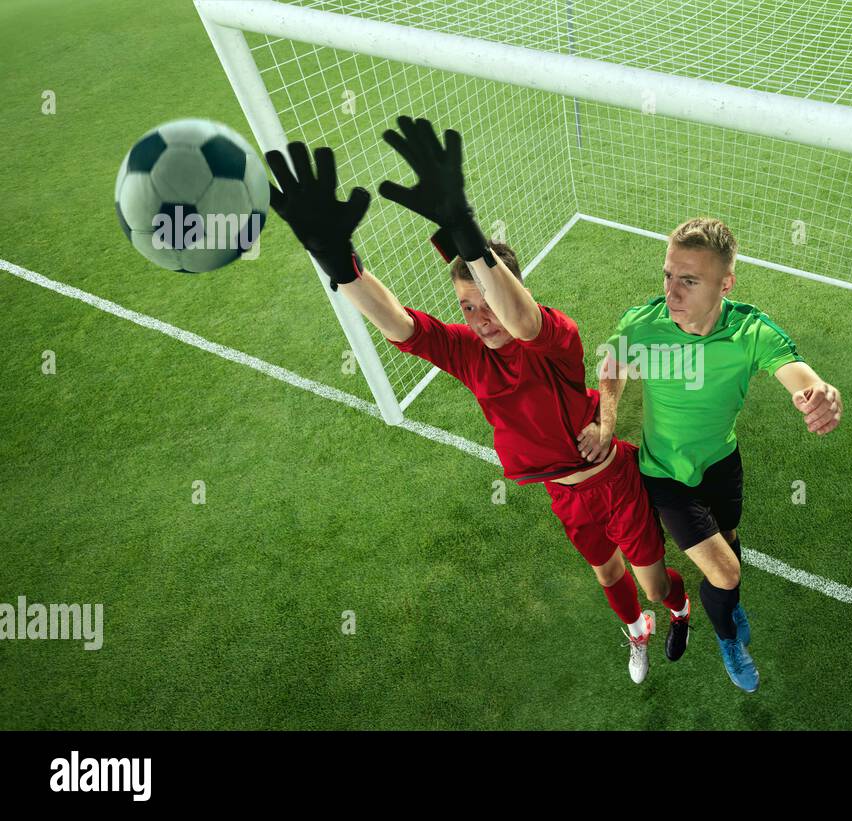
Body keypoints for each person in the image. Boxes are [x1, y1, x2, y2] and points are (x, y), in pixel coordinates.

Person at [263, 119, 692, 683]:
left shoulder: (553, 339)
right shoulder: (467, 351)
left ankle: (677, 607)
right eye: (466, 306)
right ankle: (636, 629)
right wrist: (338, 264)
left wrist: (465, 230)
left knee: (653, 583)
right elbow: (397, 322)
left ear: (512, 288)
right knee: (605, 571)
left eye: (485, 301)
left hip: (614, 482)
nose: (480, 319)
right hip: (563, 495)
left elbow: (518, 317)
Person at [594, 217, 843, 692]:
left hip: (722, 463)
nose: (672, 291)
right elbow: (613, 365)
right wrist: (607, 421)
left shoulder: (751, 331)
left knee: (729, 542)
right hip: (666, 475)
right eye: (668, 275)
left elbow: (798, 375)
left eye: (689, 280)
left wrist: (819, 394)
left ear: (725, 283)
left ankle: (727, 604)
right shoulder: (643, 325)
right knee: (726, 573)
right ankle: (730, 638)